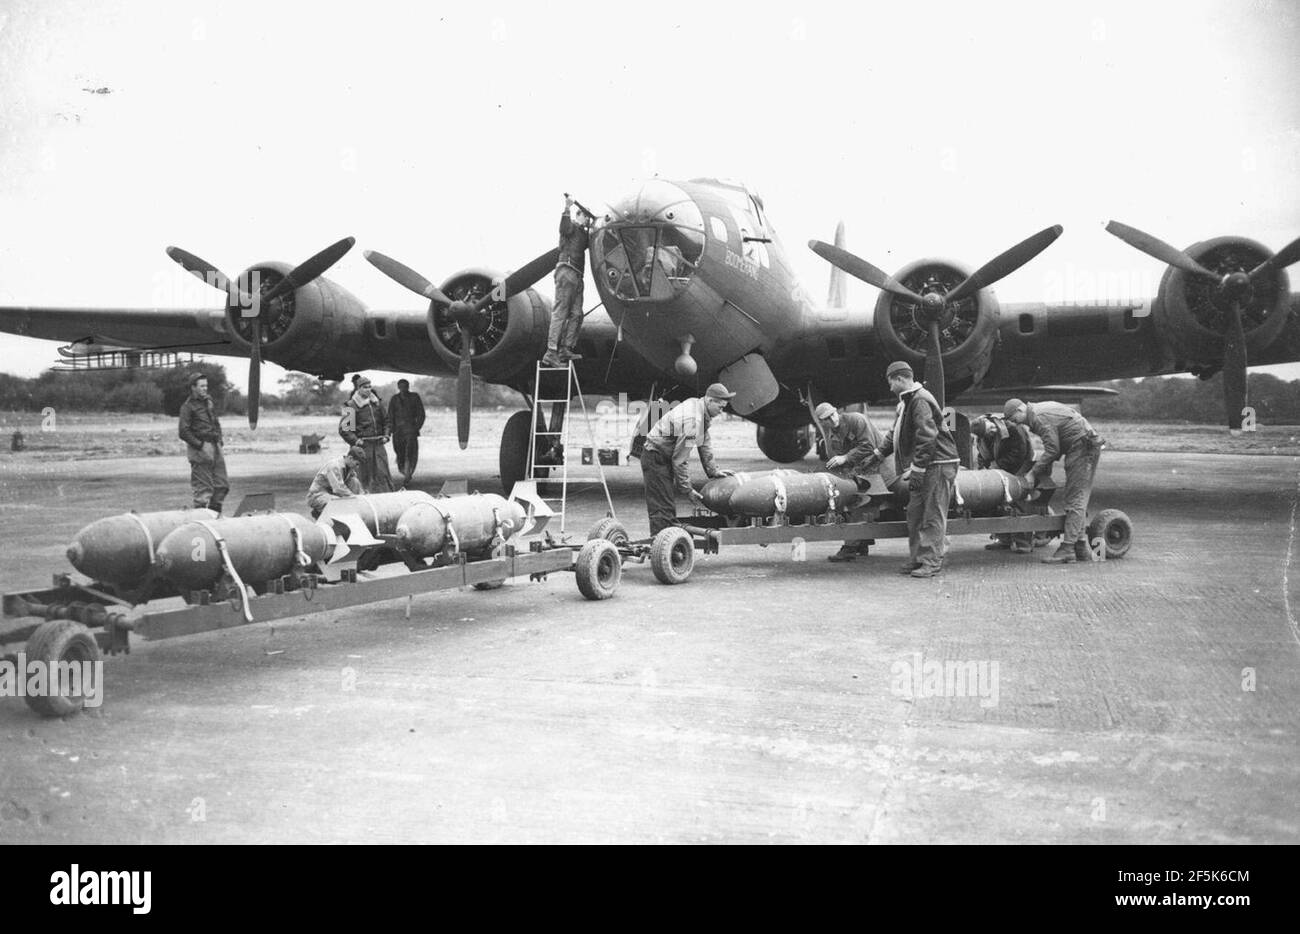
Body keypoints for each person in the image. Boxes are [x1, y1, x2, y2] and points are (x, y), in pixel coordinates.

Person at [864, 361, 960, 579]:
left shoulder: (920, 400)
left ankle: (932, 561)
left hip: (938, 465)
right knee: (915, 513)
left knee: (932, 514)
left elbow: (927, 437)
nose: (889, 388)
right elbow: (894, 433)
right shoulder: (907, 402)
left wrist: (917, 469)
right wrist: (878, 454)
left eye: (890, 382)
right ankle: (918, 558)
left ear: (899, 379)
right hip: (925, 466)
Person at [1004, 398, 1105, 564]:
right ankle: (1079, 547)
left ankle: (1067, 549)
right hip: (1081, 446)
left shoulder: (1038, 417)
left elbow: (1053, 450)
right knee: (1076, 499)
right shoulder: (1037, 412)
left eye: (1013, 419)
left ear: (1020, 411)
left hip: (1082, 449)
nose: (1014, 423)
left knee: (1075, 499)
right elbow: (1055, 447)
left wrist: (1032, 473)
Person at [641, 383, 736, 536]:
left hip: (661, 454)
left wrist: (713, 471)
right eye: (720, 407)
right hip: (655, 457)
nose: (721, 412)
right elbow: (680, 459)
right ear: (710, 401)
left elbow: (704, 441)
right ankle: (661, 546)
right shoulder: (693, 421)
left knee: (665, 506)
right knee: (663, 508)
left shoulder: (698, 405)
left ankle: (664, 543)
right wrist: (687, 489)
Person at [816, 401, 889, 562]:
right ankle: (861, 543)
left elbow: (868, 446)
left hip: (882, 466)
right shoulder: (832, 436)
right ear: (822, 422)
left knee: (862, 503)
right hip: (865, 469)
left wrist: (845, 458)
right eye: (827, 418)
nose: (832, 419)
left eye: (832, 414)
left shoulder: (856, 420)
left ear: (837, 412)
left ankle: (850, 548)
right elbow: (841, 460)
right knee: (853, 499)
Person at [970, 414, 1035, 553]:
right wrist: (984, 470)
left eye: (991, 428)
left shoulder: (1012, 429)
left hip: (1020, 468)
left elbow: (1019, 453)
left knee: (1018, 502)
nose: (992, 431)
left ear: (990, 422)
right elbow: (982, 455)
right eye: (987, 432)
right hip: (999, 472)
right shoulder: (983, 438)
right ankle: (1003, 539)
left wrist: (999, 465)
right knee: (994, 500)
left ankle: (1024, 543)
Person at [542, 195, 594, 367]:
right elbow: (564, 227)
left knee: (577, 314)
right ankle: (551, 352)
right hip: (567, 271)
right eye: (585, 216)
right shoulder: (571, 227)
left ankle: (566, 348)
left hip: (578, 276)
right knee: (561, 311)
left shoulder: (583, 234)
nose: (587, 219)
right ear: (580, 215)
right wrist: (567, 208)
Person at [178, 373, 229, 515]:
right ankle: (201, 521)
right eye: (201, 386)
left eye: (206, 386)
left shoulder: (208, 401)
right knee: (203, 490)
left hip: (215, 445)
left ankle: (214, 516)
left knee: (221, 486)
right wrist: (200, 445)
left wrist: (219, 439)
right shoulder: (187, 407)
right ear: (193, 387)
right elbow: (183, 431)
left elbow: (215, 421)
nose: (205, 389)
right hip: (200, 449)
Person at [339, 375, 392, 493]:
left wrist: (386, 435)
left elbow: (387, 421)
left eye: (369, 387)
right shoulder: (350, 405)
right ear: (358, 389)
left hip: (378, 445)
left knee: (382, 475)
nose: (368, 389)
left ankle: (384, 501)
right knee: (362, 477)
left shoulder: (377, 403)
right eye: (364, 387)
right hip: (362, 447)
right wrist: (356, 440)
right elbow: (345, 429)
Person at [307, 445, 365, 518]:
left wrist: (363, 498)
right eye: (357, 464)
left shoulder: (349, 467)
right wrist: (354, 498)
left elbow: (356, 485)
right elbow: (338, 488)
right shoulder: (334, 466)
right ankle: (319, 514)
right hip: (317, 495)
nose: (357, 467)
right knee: (337, 504)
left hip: (332, 494)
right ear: (350, 458)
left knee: (354, 481)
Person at [387, 379, 426, 487]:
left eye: (405, 386)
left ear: (408, 387)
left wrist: (416, 428)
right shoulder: (394, 399)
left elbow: (421, 414)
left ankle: (408, 474)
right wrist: (389, 431)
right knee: (399, 453)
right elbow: (390, 415)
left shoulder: (415, 397)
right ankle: (404, 471)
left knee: (410, 452)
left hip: (410, 430)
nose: (403, 388)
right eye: (401, 386)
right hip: (398, 431)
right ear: (398, 387)